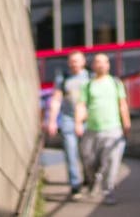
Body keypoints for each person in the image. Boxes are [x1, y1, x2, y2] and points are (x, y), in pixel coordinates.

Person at [74, 53, 130, 205]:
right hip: (92, 129)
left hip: (113, 129)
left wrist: (126, 123)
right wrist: (78, 122)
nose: (100, 65)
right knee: (88, 160)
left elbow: (122, 104)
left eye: (103, 62)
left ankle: (108, 191)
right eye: (97, 62)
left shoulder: (115, 83)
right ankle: (93, 182)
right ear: (93, 66)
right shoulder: (88, 85)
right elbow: (81, 105)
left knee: (111, 161)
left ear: (108, 65)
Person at [44, 51, 90, 199]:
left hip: (87, 120)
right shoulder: (63, 78)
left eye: (77, 60)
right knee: (70, 153)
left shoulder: (90, 77)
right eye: (71, 61)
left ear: (83, 62)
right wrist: (51, 121)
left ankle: (89, 180)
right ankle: (75, 186)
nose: (74, 63)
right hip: (68, 120)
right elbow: (56, 100)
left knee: (88, 154)